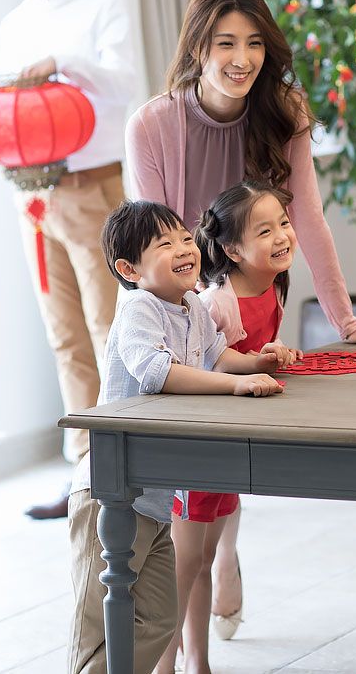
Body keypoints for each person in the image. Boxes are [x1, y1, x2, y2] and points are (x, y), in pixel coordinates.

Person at [125, 0, 356, 633]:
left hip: (255, 289)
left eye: (254, 43)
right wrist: (194, 312)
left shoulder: (283, 109)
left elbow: (305, 217)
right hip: (186, 299)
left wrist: (346, 320)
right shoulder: (153, 123)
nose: (241, 57)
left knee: (231, 438)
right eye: (225, 41)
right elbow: (154, 239)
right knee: (189, 452)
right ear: (197, 46)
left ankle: (223, 550)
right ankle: (192, 583)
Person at [67, 199, 292, 674]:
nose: (185, 249)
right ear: (129, 268)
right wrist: (235, 384)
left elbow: (217, 355)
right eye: (164, 245)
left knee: (161, 615)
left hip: (156, 497)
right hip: (110, 492)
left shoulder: (190, 305)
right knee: (97, 623)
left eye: (185, 239)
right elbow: (157, 373)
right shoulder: (138, 309)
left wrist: (255, 363)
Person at [0, 0, 138, 520]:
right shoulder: (15, 21)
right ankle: (83, 470)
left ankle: (128, 465)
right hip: (35, 197)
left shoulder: (103, 5)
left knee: (111, 331)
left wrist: (64, 63)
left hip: (94, 188)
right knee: (63, 336)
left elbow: (126, 83)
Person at [152, 181, 302, 673]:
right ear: (233, 249)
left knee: (207, 555)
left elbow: (244, 362)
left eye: (283, 223)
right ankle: (162, 662)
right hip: (201, 444)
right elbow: (205, 367)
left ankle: (198, 661)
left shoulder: (272, 285)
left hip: (230, 443)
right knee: (186, 561)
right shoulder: (217, 302)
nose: (282, 236)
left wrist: (268, 358)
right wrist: (251, 365)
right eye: (266, 230)